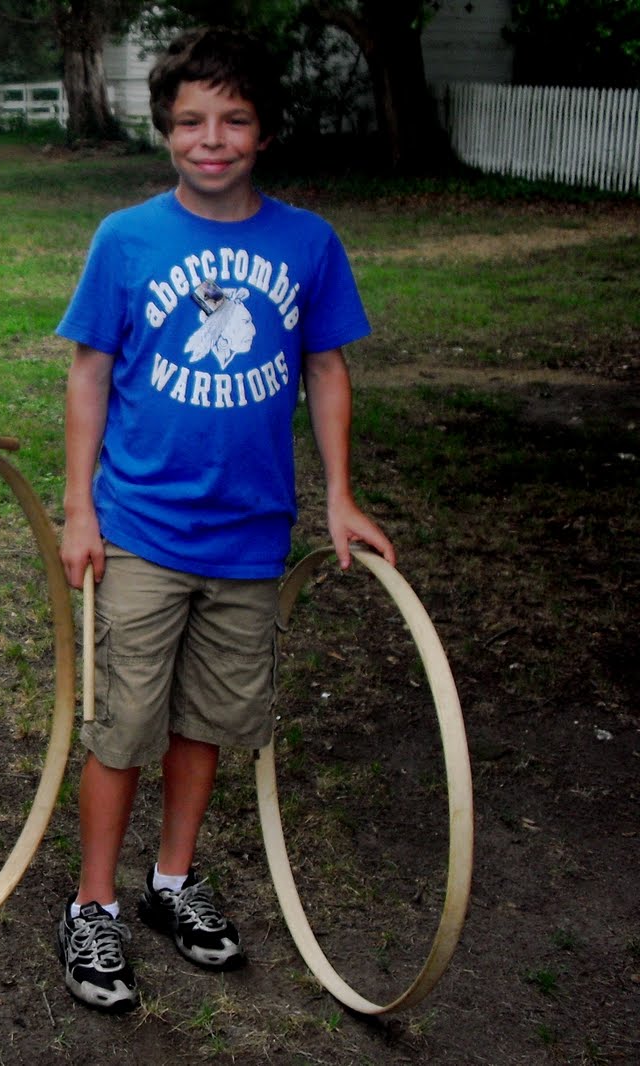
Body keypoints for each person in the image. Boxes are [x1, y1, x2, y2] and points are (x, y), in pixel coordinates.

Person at [53, 27, 397, 1013]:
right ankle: (93, 905)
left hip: (250, 536)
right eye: (192, 120)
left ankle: (170, 883)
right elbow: (89, 373)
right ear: (163, 130)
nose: (213, 138)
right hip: (140, 530)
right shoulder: (126, 239)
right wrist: (81, 508)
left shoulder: (306, 242)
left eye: (234, 119)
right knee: (121, 726)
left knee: (206, 719)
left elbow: (326, 368)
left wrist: (337, 492)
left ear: (264, 131)